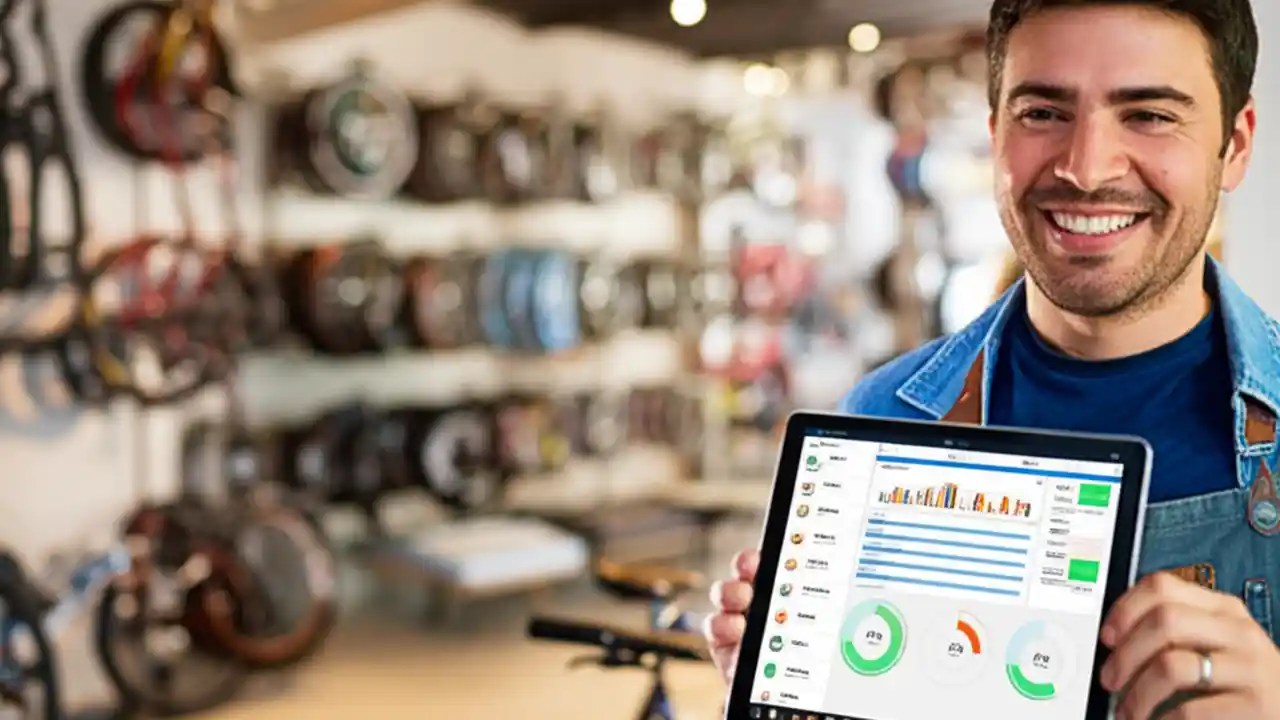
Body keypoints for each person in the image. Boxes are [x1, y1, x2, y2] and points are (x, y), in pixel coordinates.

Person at [703, 1, 1280, 718]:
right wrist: (784, 697)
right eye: (1043, 113)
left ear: (1237, 143)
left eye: (1150, 115)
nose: (1086, 168)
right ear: (994, 134)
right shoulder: (882, 416)